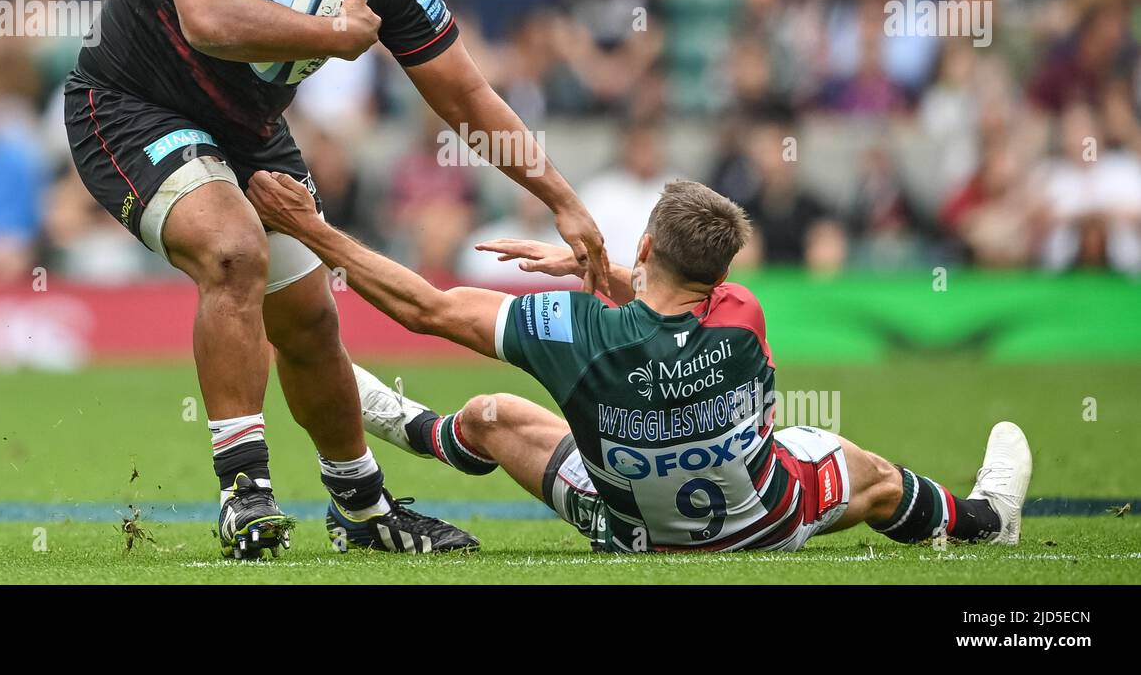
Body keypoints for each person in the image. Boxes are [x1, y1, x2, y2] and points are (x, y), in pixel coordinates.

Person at [62, 0, 607, 558]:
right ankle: (244, 494)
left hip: (247, 131)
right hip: (129, 108)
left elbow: (464, 88)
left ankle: (361, 506)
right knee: (234, 252)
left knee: (313, 323)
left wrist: (560, 197)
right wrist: (327, 33)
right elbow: (208, 18)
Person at [247, 172, 1031, 554]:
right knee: (865, 470)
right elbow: (678, 297)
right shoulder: (744, 316)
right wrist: (603, 275)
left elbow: (423, 307)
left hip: (628, 532)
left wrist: (311, 228)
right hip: (766, 523)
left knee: (492, 416)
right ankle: (981, 523)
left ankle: (398, 423)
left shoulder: (572, 330)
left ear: (646, 247)